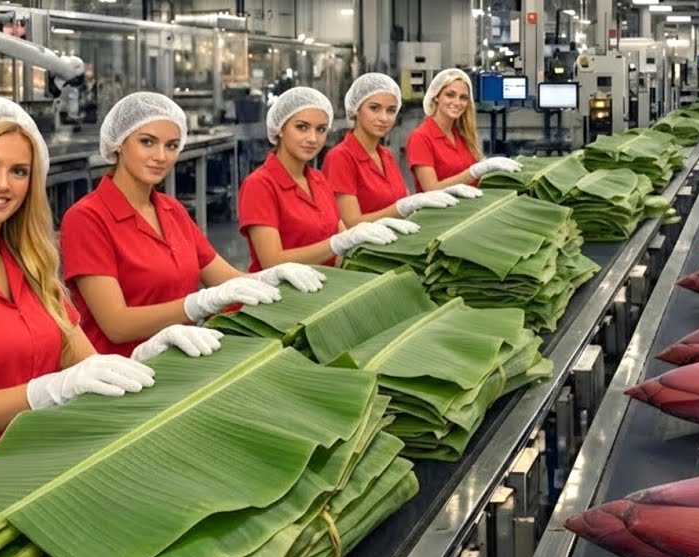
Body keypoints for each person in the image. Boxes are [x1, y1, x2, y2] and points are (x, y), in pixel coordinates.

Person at [0, 98, 220, 516]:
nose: (3, 184)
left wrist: (149, 354)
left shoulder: (29, 265)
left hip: (21, 479)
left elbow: (84, 361)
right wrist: (48, 391)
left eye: (19, 172)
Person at [60, 92, 323, 358]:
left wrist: (272, 278)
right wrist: (196, 304)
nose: (161, 156)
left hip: (185, 361)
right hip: (123, 377)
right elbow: (116, 325)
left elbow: (225, 279)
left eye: (172, 146)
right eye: (147, 142)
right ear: (119, 143)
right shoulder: (87, 218)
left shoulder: (171, 210)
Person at [239, 86, 415, 271]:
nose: (313, 138)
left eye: (321, 129)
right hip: (282, 294)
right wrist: (335, 244)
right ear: (280, 129)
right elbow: (272, 261)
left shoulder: (318, 180)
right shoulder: (259, 185)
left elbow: (341, 240)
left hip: (327, 285)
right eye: (302, 127)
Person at [323, 72, 482, 228]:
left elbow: (403, 199)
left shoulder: (386, 155)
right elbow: (351, 224)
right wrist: (401, 209)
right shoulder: (340, 157)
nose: (384, 118)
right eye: (374, 108)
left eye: (391, 110)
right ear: (356, 109)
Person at [405, 69, 521, 193]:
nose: (457, 102)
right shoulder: (421, 137)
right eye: (450, 95)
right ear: (436, 96)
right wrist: (474, 172)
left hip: (469, 208)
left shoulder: (462, 135)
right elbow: (431, 189)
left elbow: (476, 180)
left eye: (463, 98)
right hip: (439, 211)